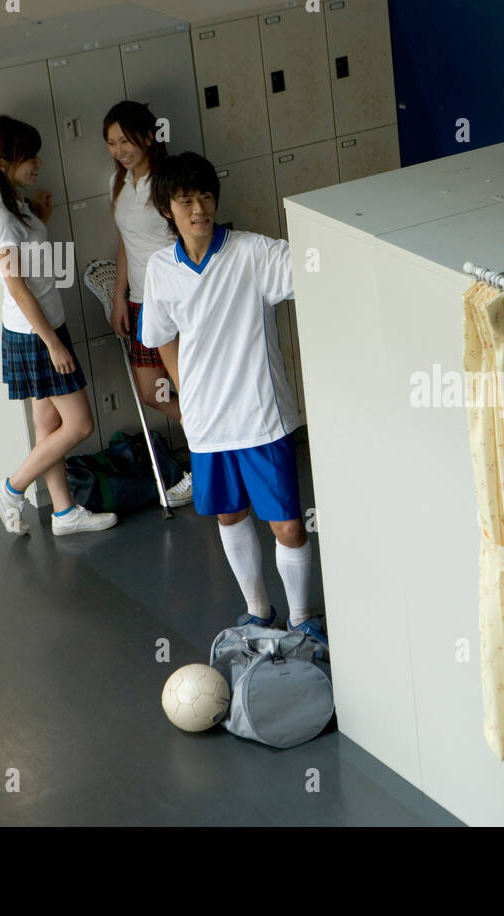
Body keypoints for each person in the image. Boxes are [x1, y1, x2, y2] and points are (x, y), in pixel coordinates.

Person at [139, 152, 323, 643]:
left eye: (205, 196)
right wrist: (188, 394)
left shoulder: (253, 253)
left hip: (262, 417)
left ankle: (303, 618)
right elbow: (160, 336)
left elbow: (313, 266)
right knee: (229, 514)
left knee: (287, 525)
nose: (198, 208)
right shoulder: (160, 268)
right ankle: (258, 610)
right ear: (167, 209)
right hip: (207, 425)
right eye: (185, 200)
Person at [0, 115, 118, 537]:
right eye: (28, 157)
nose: (38, 163)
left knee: (48, 426)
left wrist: (40, 218)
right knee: (80, 425)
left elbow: (29, 260)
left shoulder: (11, 198)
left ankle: (63, 512)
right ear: (4, 162)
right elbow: (17, 287)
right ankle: (11, 488)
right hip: (37, 333)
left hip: (42, 326)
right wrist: (54, 343)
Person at [102, 101, 192, 506]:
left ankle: (207, 461)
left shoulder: (167, 182)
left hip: (175, 300)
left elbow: (190, 240)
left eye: (125, 140)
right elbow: (127, 242)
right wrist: (120, 296)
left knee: (191, 382)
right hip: (140, 302)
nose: (120, 149)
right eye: (111, 142)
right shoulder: (118, 183)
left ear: (147, 136)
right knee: (152, 391)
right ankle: (201, 429)